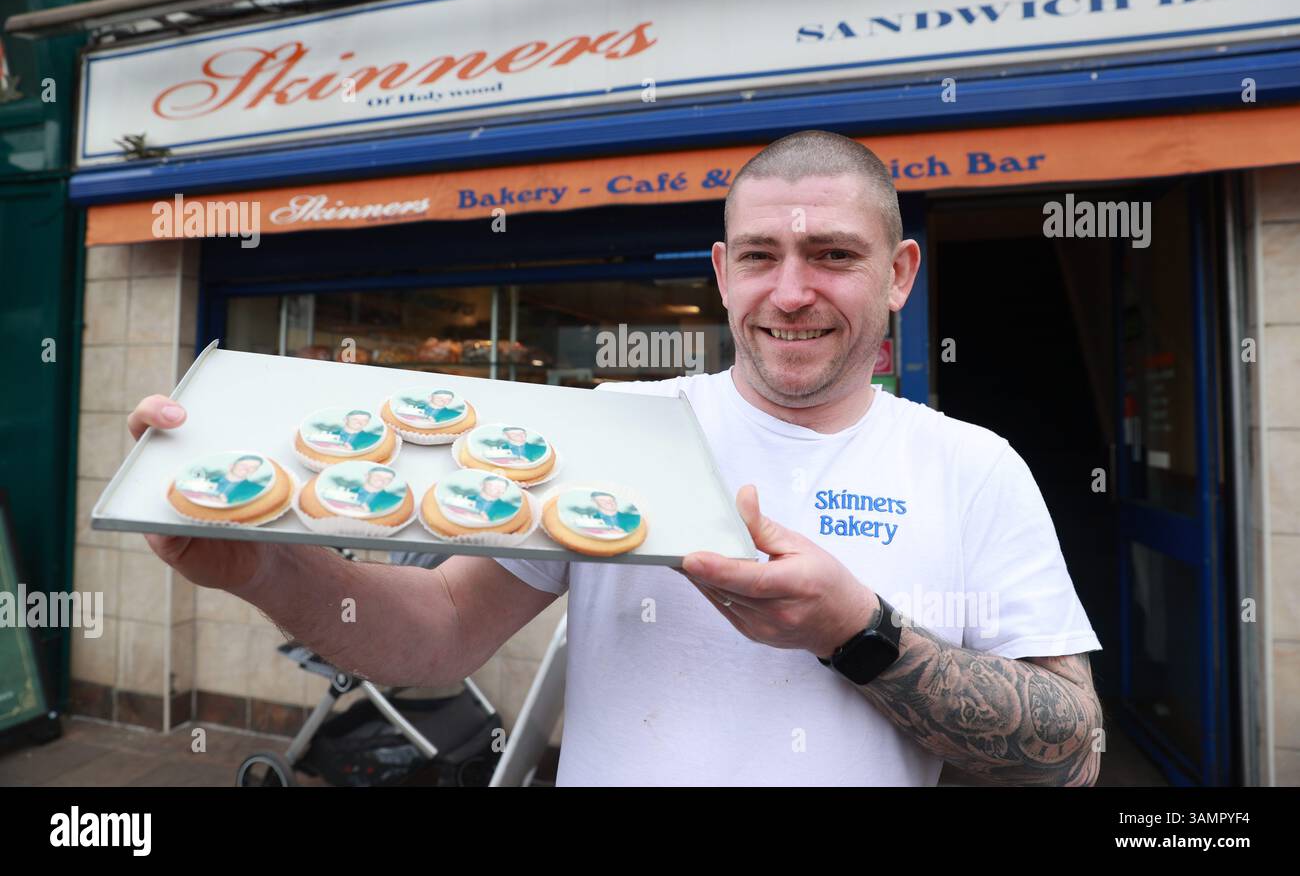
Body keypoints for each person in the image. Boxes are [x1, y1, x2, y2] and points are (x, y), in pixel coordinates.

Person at [127, 130, 1102, 786]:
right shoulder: (621, 425)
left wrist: (857, 629)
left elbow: (1075, 747)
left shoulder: (974, 466)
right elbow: (441, 634)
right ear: (722, 275)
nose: (792, 290)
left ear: (898, 275)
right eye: (759, 255)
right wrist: (267, 565)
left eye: (835, 257)